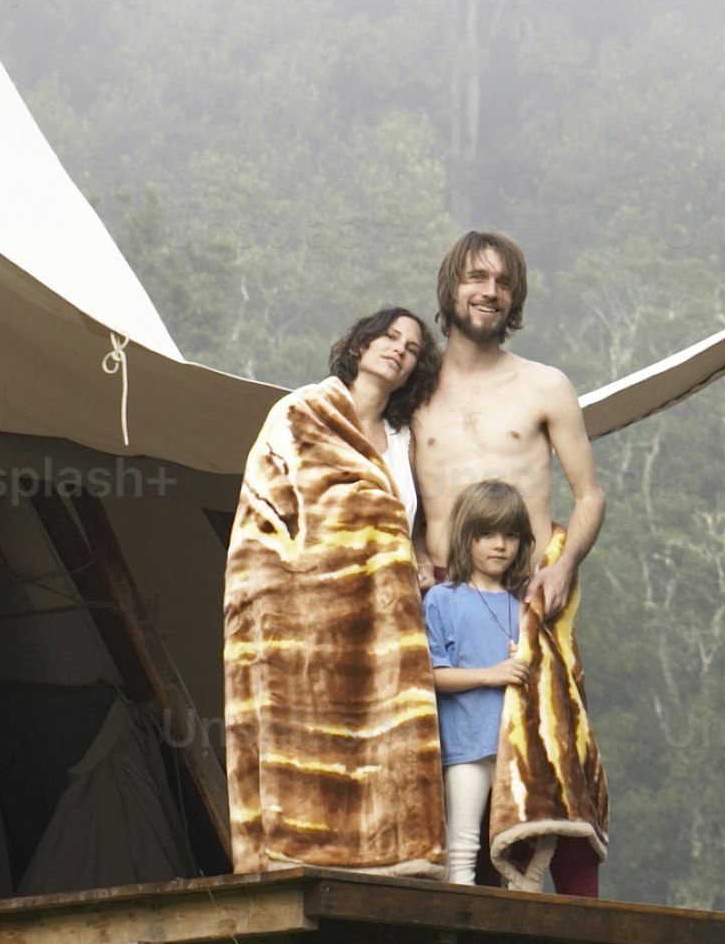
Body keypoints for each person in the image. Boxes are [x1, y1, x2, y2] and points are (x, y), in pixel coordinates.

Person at [395, 230, 611, 894]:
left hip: (528, 594)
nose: (489, 291)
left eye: (502, 282)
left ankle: (586, 931)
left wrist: (564, 564)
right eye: (475, 277)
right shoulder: (413, 388)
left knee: (546, 747)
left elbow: (590, 494)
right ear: (449, 288)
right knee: (458, 760)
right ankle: (475, 929)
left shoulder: (544, 385)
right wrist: (407, 564)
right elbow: (389, 488)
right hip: (443, 602)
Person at [218, 305, 442, 873]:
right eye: (388, 336)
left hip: (385, 623)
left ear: (416, 370)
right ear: (361, 344)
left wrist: (416, 560)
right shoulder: (300, 413)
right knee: (308, 746)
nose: (398, 349)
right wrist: (293, 593)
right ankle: (299, 855)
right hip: (304, 618)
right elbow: (260, 520)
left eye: (412, 347)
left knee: (380, 742)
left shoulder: (405, 441)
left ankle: (386, 858)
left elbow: (408, 525)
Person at [420, 482, 541, 886]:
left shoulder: (523, 604)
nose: (499, 545)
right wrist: (493, 673)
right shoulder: (441, 598)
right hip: (466, 745)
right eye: (486, 533)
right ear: (465, 537)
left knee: (519, 846)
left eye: (509, 534)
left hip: (515, 749)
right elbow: (432, 676)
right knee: (463, 846)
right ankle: (458, 932)